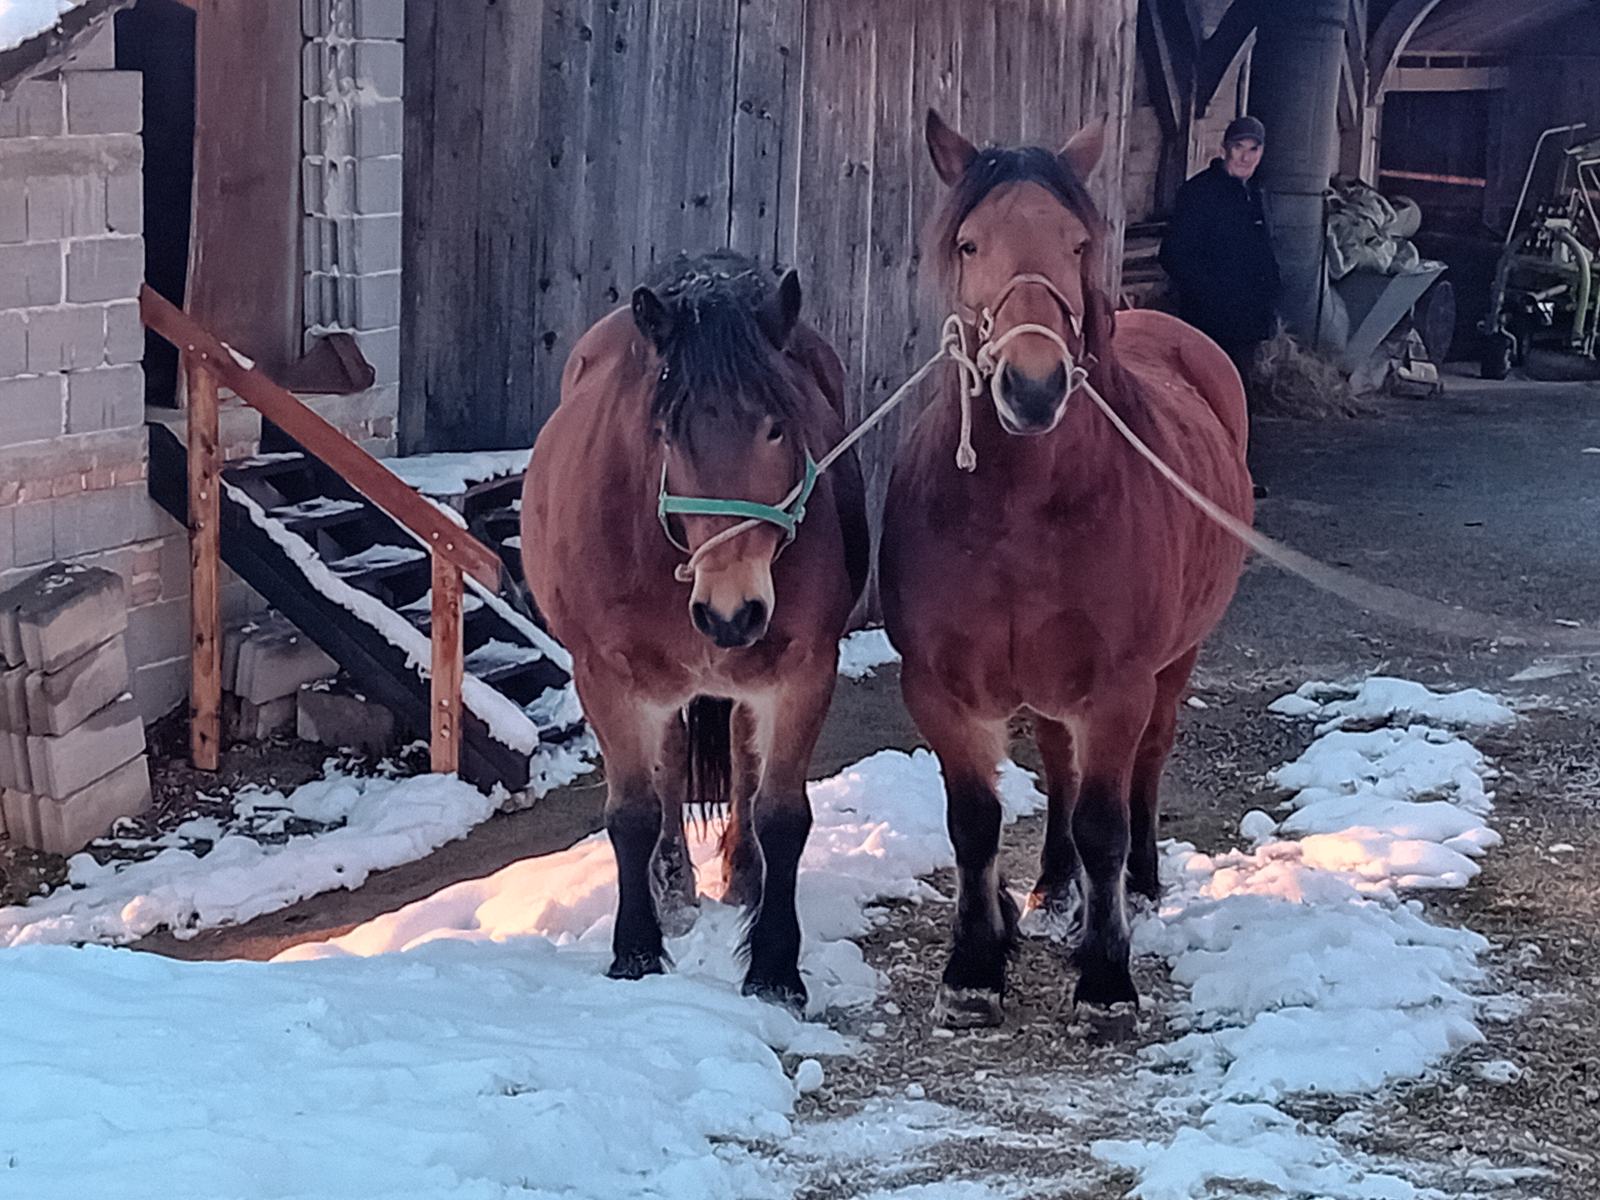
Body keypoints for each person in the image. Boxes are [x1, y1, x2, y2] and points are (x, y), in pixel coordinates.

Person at [1158, 115, 1281, 377]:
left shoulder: (1257, 193)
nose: (1245, 158)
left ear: (1262, 152)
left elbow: (1263, 252)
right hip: (1209, 322)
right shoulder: (1200, 193)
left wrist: (1268, 304)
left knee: (1239, 394)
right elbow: (1172, 254)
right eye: (1238, 148)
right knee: (1206, 390)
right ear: (1223, 149)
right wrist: (1210, 297)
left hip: (1246, 323)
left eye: (1253, 149)